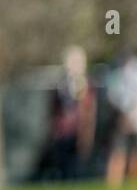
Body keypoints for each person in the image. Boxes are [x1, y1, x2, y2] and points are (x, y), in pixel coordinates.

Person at [39, 46, 96, 181]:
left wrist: (86, 129)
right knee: (64, 165)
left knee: (78, 165)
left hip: (80, 130)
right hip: (63, 131)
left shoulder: (85, 83)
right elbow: (55, 108)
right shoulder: (61, 83)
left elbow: (88, 108)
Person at [105, 51, 137, 188]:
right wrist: (124, 116)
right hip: (122, 120)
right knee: (118, 151)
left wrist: (135, 115)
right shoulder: (117, 74)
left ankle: (135, 182)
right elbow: (114, 97)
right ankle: (114, 184)